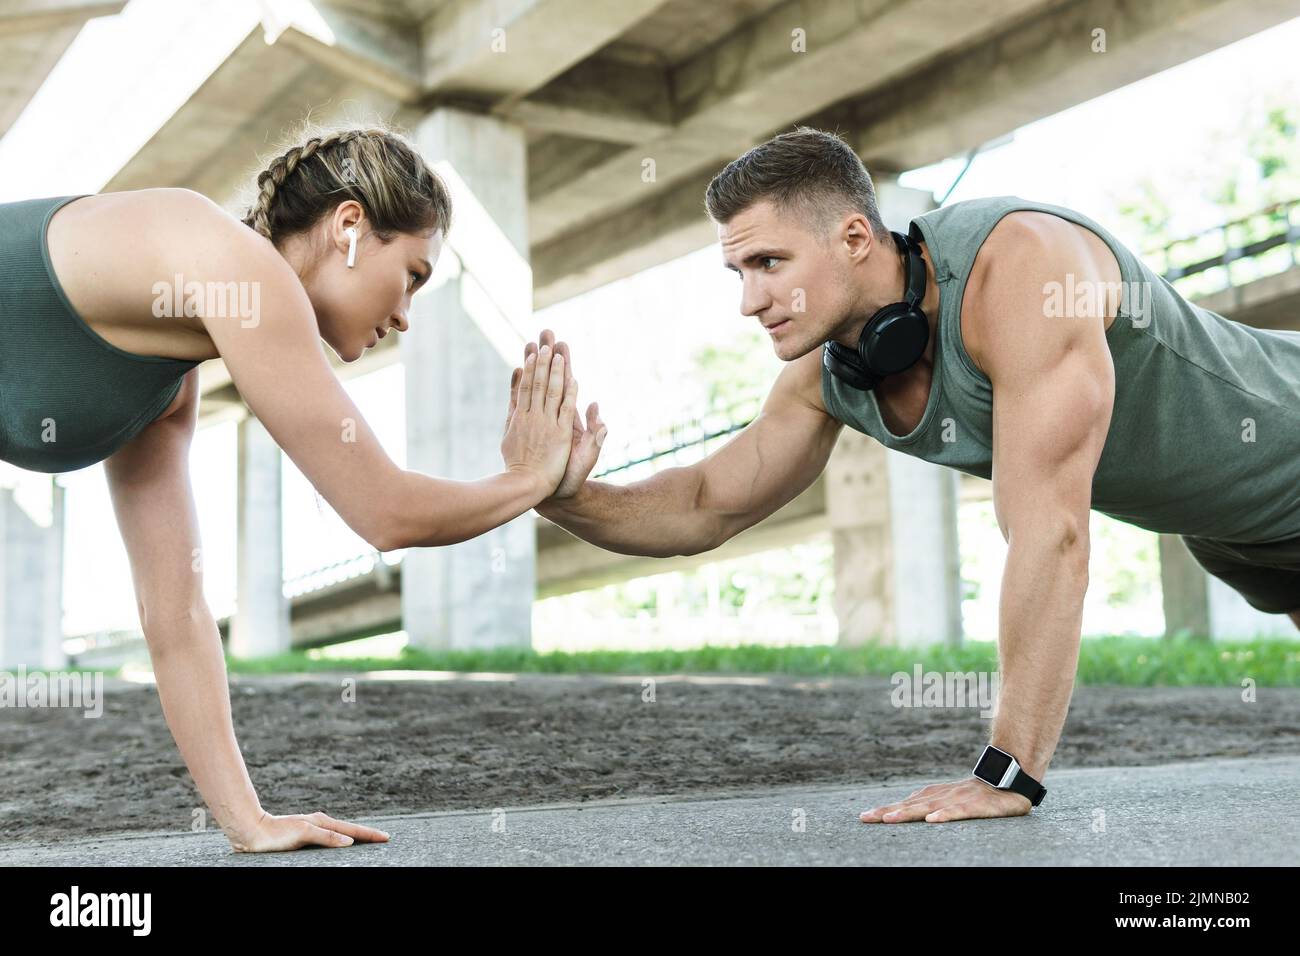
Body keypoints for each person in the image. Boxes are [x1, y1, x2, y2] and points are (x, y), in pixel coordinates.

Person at [518, 125, 1300, 825]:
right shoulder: (833, 376)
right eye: (738, 273)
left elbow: (1051, 534)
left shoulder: (1024, 266)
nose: (751, 301)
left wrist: (1007, 773)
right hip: (1243, 534)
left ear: (855, 237)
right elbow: (703, 506)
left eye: (768, 263)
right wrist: (558, 493)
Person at [0, 122, 582, 852]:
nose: (405, 314)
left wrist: (249, 822)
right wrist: (530, 479)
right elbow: (386, 512)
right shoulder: (236, 268)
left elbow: (174, 615)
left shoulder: (166, 394)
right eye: (412, 274)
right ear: (348, 226)